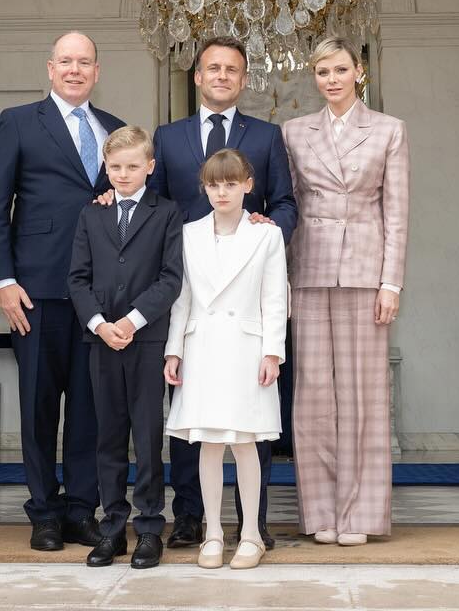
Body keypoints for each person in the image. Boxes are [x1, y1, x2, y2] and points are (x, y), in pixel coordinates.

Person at [146, 35, 297, 551]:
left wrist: (264, 226)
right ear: (197, 76)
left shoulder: (267, 136)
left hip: (248, 291)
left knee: (252, 427)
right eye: (213, 68)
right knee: (194, 420)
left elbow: (286, 203)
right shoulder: (167, 138)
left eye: (232, 69)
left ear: (244, 78)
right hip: (192, 287)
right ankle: (190, 516)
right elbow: (155, 210)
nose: (222, 76)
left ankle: (251, 524)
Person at [0, 32, 124, 551]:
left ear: (96, 71)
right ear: (49, 68)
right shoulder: (18, 122)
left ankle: (82, 509)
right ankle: (42, 512)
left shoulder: (116, 132)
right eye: (66, 61)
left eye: (84, 62)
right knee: (38, 405)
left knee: (90, 408)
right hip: (34, 291)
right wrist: (4, 280)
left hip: (99, 295)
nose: (74, 70)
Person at [281, 36, 408, 546]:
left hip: (365, 272)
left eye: (339, 70)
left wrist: (391, 282)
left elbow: (396, 213)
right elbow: (287, 208)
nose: (331, 79)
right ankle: (321, 514)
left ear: (360, 72)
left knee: (364, 397)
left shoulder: (388, 130)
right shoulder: (293, 132)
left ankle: (362, 515)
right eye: (321, 72)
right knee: (312, 398)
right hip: (307, 272)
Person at [164, 148, 289, 571]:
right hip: (202, 345)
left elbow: (275, 297)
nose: (222, 192)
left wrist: (273, 351)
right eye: (214, 184)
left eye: (231, 183)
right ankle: (213, 533)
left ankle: (251, 533)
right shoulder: (189, 233)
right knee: (209, 443)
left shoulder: (267, 235)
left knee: (246, 442)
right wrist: (174, 349)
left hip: (247, 348)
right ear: (205, 187)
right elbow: (181, 298)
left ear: (247, 185)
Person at [67, 126, 183, 569]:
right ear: (105, 168)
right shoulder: (91, 215)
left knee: (148, 435)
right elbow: (77, 278)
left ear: (150, 167)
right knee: (108, 436)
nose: (124, 174)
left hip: (147, 339)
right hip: (102, 342)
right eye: (115, 167)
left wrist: (131, 321)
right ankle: (113, 527)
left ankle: (150, 527)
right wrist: (100, 324)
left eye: (133, 166)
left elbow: (171, 278)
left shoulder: (168, 213)